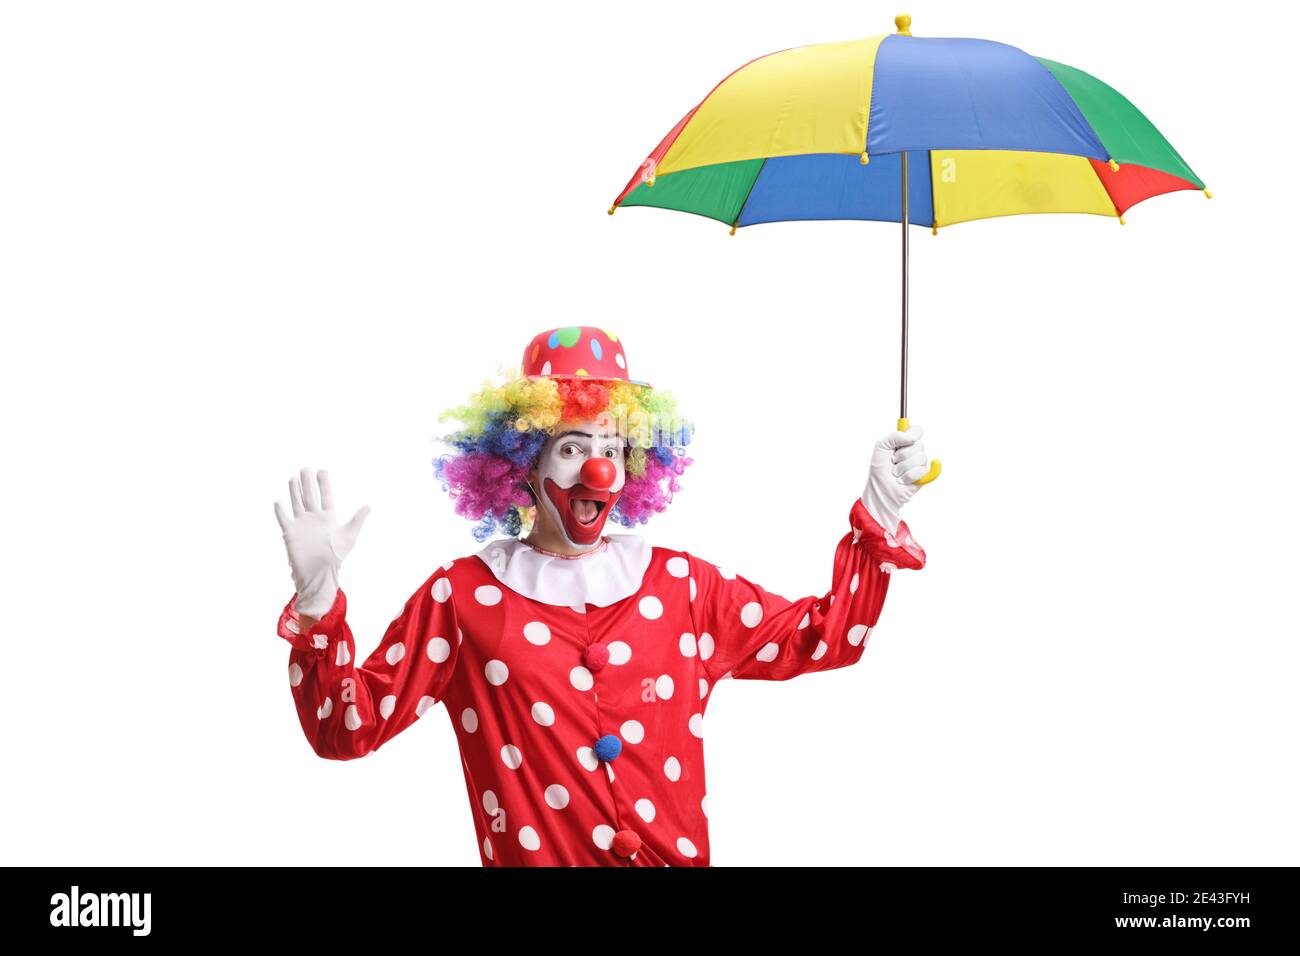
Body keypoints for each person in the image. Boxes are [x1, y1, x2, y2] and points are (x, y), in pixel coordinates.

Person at [273, 326, 931, 866]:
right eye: (571, 447)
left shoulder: (682, 587)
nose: (597, 468)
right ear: (521, 461)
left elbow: (823, 638)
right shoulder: (462, 597)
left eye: (612, 447)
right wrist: (318, 601)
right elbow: (344, 729)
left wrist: (877, 514)